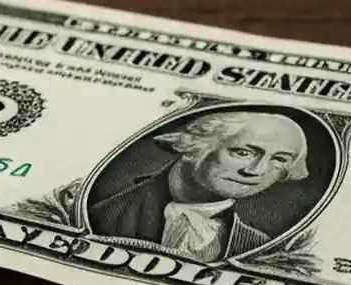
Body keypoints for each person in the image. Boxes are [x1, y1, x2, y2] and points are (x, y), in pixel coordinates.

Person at [88, 111, 309, 262]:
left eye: (279, 159)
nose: (256, 171)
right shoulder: (102, 216)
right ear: (192, 148)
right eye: (243, 152)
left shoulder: (260, 247)